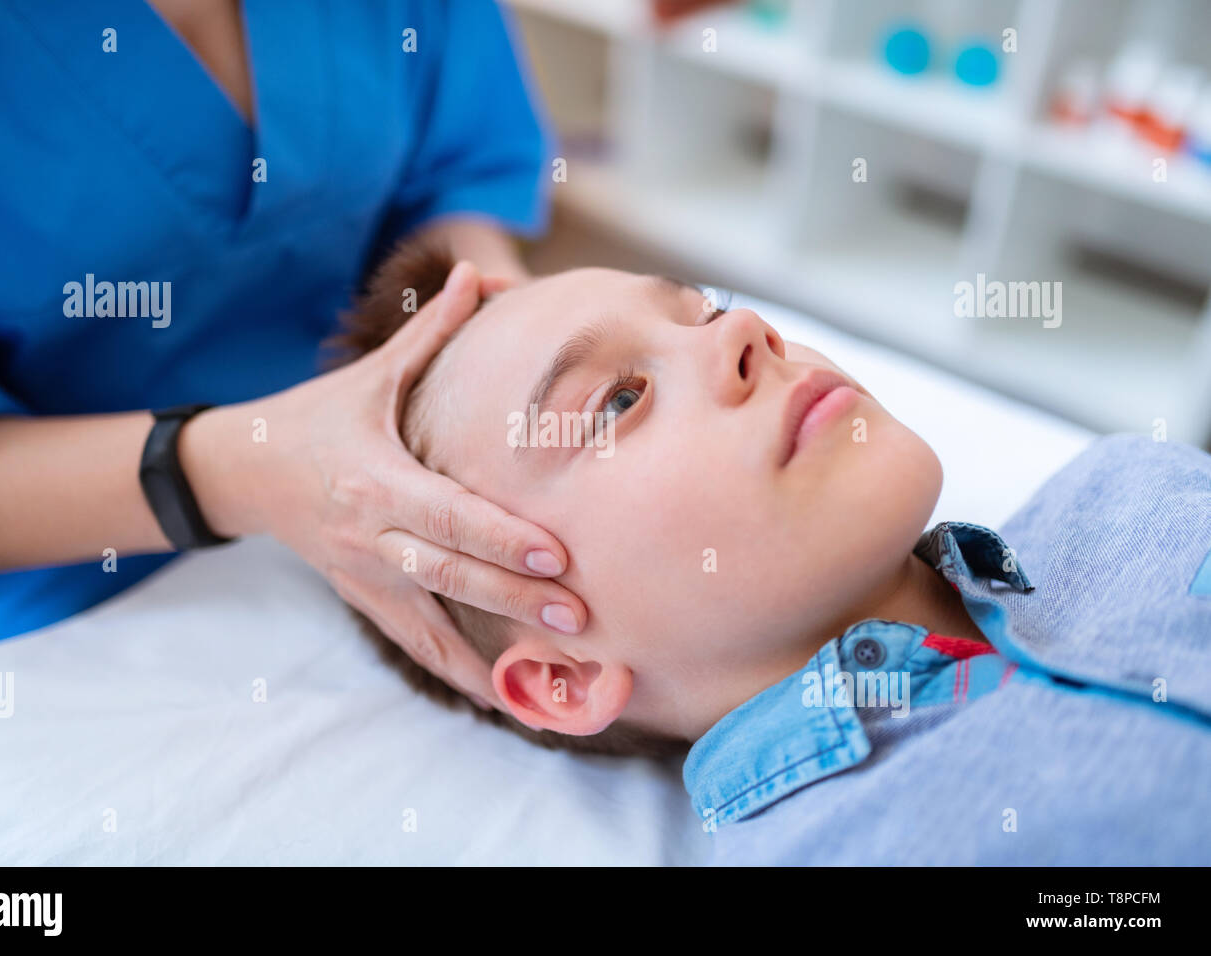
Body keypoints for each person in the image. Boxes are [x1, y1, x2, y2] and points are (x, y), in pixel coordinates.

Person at [335, 236, 1211, 863]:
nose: (741, 329)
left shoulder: (1132, 492)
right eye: (617, 401)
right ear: (566, 676)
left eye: (703, 311)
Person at [0, 1, 590, 715]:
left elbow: (448, 185)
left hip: (365, 488)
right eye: (625, 397)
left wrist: (500, 336)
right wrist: (255, 470)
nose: (723, 337)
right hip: (31, 583)